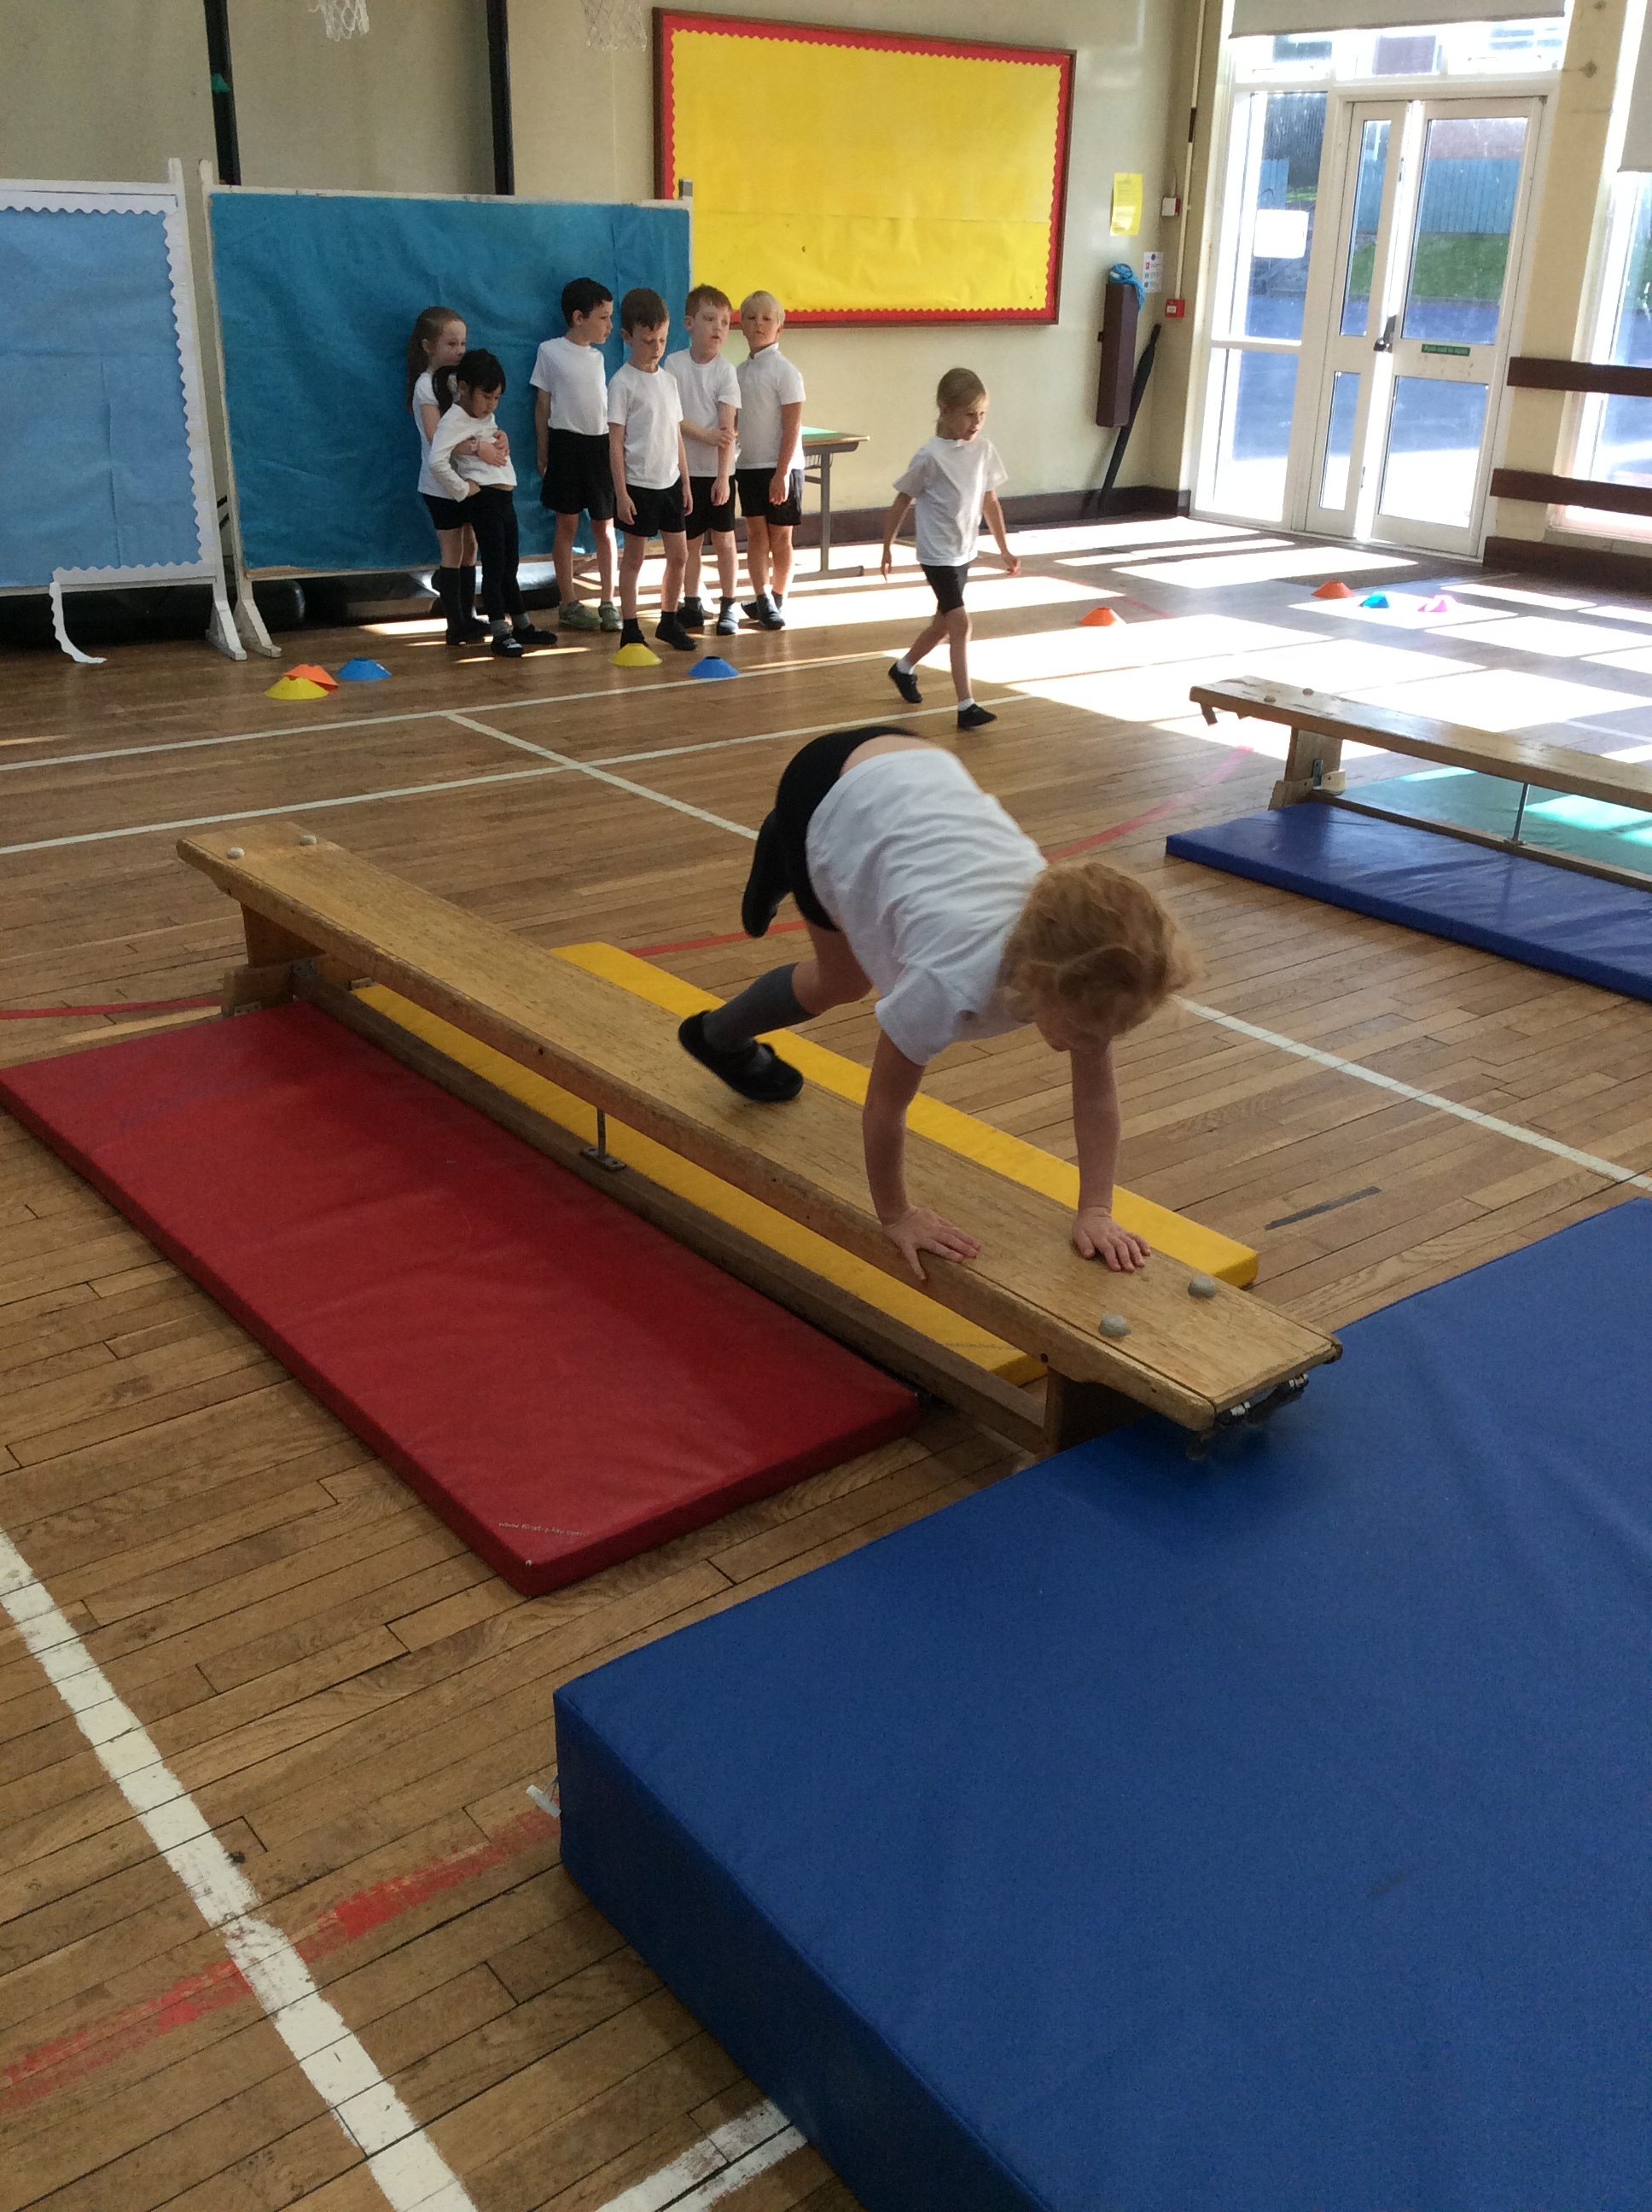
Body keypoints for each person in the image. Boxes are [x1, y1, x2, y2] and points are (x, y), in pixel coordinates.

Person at [678, 729, 1196, 1279]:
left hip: (918, 768)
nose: (1097, 1044)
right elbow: (884, 1107)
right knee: (842, 982)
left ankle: (793, 845)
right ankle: (716, 1032)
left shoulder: (1077, 971)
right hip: (827, 785)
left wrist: (1096, 1209)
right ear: (1036, 982)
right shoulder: (946, 983)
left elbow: (1096, 1096)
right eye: (1089, 1031)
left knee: (858, 956)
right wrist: (897, 1215)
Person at [882, 368, 1018, 731]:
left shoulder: (984, 450)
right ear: (945, 410)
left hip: (963, 551)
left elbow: (990, 502)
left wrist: (1004, 548)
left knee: (942, 623)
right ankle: (966, 705)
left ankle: (903, 668)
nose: (977, 423)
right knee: (960, 623)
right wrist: (887, 545)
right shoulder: (929, 456)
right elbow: (902, 500)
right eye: (969, 414)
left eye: (982, 414)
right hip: (936, 555)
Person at [428, 349, 558, 659]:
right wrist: (463, 489)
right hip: (484, 500)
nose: (492, 405)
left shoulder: (483, 417)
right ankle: (500, 631)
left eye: (497, 398)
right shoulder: (453, 420)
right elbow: (436, 461)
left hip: (504, 497)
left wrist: (502, 438)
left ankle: (522, 625)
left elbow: (489, 436)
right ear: (464, 388)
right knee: (495, 567)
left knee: (510, 565)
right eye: (486, 397)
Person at [608, 288, 694, 654]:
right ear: (627, 336)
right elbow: (615, 443)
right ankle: (630, 627)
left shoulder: (669, 381)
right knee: (635, 558)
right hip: (639, 485)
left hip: (669, 482)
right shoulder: (621, 383)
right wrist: (622, 493)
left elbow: (675, 434)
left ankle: (668, 620)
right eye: (647, 340)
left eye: (661, 339)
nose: (656, 347)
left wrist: (685, 482)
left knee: (680, 556)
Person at [531, 277, 620, 634]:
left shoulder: (598, 358)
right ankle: (568, 602)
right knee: (566, 525)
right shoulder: (550, 351)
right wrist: (543, 451)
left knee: (605, 527)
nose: (609, 326)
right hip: (565, 446)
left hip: (598, 447)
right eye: (603, 317)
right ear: (579, 317)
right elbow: (542, 405)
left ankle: (608, 600)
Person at [405, 306, 487, 647]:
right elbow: (435, 436)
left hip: (466, 479)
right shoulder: (425, 386)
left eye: (463, 344)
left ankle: (468, 614)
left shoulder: (457, 381)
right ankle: (455, 624)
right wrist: (478, 449)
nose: (459, 351)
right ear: (428, 347)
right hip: (440, 485)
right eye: (451, 344)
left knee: (471, 546)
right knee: (452, 549)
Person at [665, 284, 741, 637]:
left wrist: (723, 477)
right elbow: (673, 417)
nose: (718, 328)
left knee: (724, 541)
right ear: (689, 323)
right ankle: (692, 601)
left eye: (724, 322)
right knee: (690, 542)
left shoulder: (726, 372)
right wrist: (704, 436)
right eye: (710, 319)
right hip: (685, 472)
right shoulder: (674, 364)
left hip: (717, 473)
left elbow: (727, 429)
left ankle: (729, 604)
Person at [734, 290, 805, 631]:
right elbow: (736, 422)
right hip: (749, 466)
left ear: (779, 328)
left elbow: (792, 427)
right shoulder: (739, 372)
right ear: (741, 326)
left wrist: (782, 472)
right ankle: (762, 597)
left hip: (781, 468)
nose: (758, 324)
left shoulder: (785, 372)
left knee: (780, 537)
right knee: (756, 535)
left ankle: (778, 598)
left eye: (766, 319)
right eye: (751, 318)